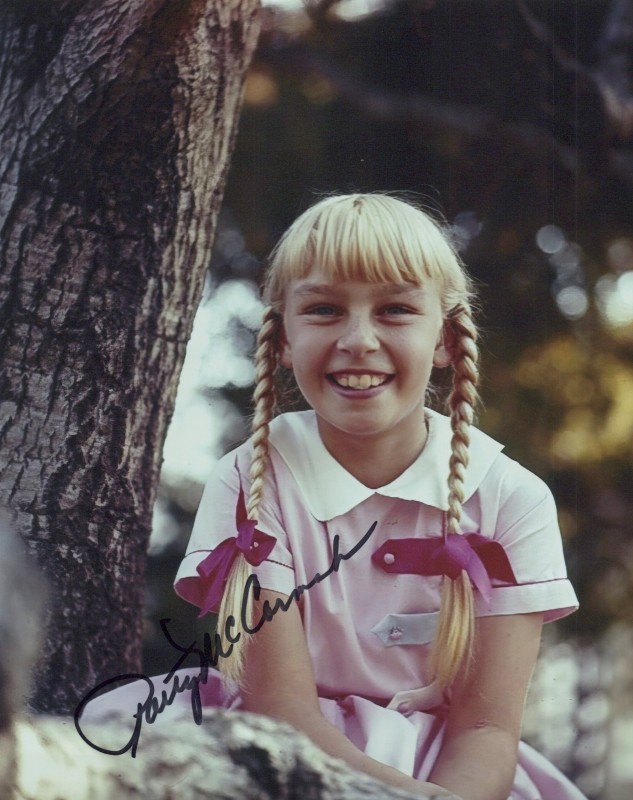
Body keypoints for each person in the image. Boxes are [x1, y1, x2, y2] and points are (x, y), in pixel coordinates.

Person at [80, 194, 586, 799]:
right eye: (323, 309)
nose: (358, 340)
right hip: (278, 754)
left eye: (396, 309)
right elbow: (281, 711)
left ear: (446, 340)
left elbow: (485, 727)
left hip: (450, 771)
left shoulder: (510, 498)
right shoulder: (252, 482)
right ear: (284, 341)